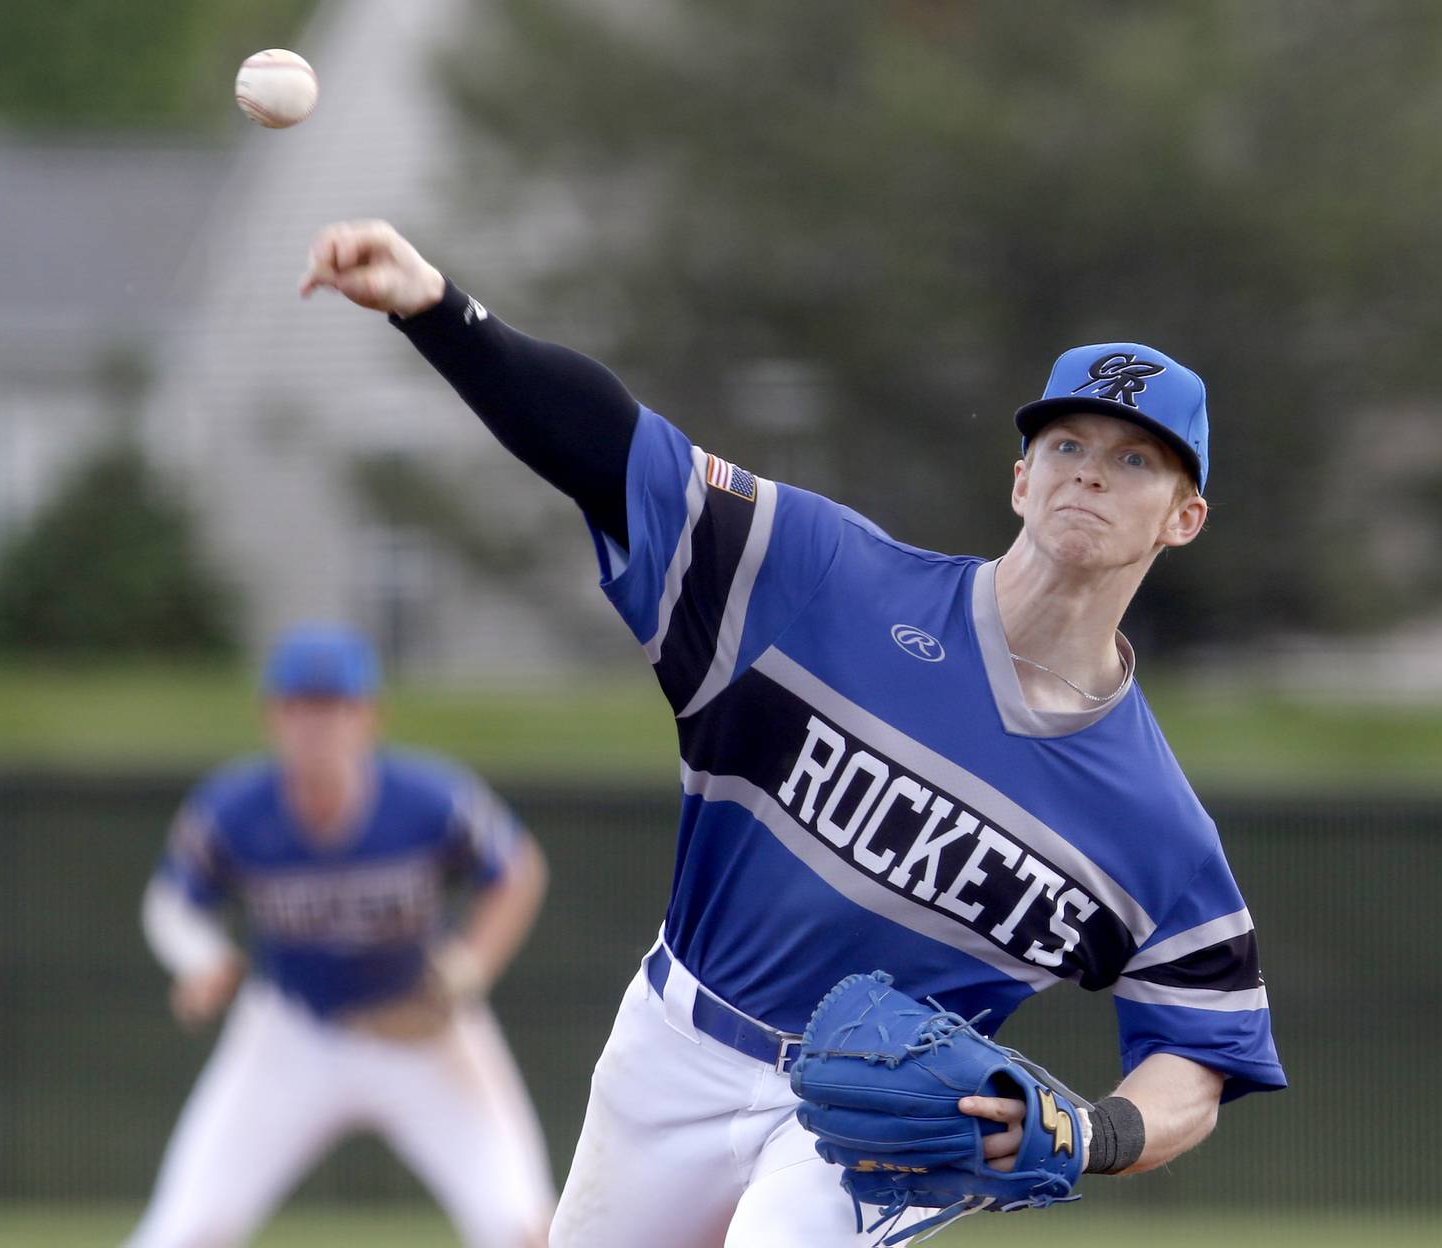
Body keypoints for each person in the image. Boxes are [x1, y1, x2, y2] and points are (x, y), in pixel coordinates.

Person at [298, 222, 1286, 1247]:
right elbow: (616, 451)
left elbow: (1200, 1051)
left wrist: (1093, 1132)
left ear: (1183, 518)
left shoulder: (1152, 820)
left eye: (1135, 460)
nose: (1090, 472)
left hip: (878, 1123)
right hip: (672, 1051)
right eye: (1066, 445)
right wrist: (436, 310)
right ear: (1019, 480)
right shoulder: (823, 581)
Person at [124, 623, 555, 1248]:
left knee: (523, 1229)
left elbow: (517, 872)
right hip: (293, 1033)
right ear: (272, 716)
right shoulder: (233, 810)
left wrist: (470, 965)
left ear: (369, 716)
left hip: (427, 1037)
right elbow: (172, 904)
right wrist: (202, 957)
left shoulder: (429, 800)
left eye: (336, 707)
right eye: (302, 707)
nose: (318, 726)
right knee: (181, 1232)